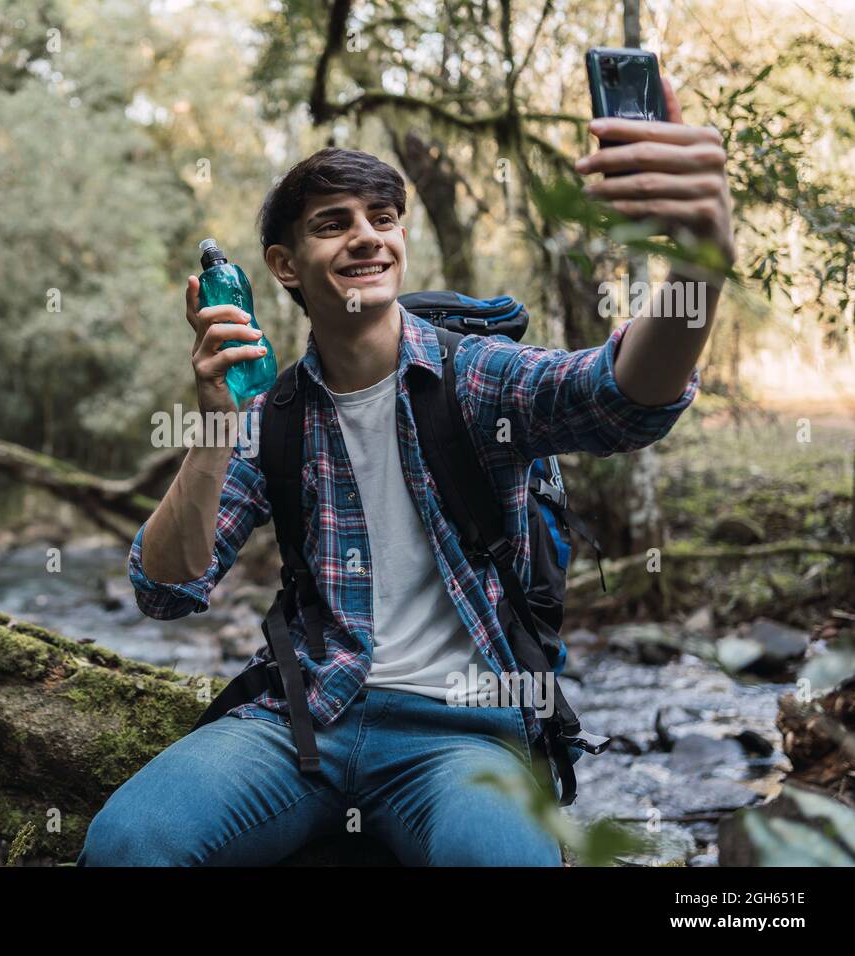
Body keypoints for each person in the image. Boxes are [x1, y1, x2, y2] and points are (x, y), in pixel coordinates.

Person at [79, 77, 734, 866]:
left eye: (382, 219)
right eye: (334, 224)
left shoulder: (477, 377)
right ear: (284, 267)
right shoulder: (269, 419)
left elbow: (623, 398)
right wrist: (215, 424)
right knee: (126, 845)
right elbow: (165, 588)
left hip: (464, 736)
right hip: (302, 723)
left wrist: (702, 265)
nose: (366, 237)